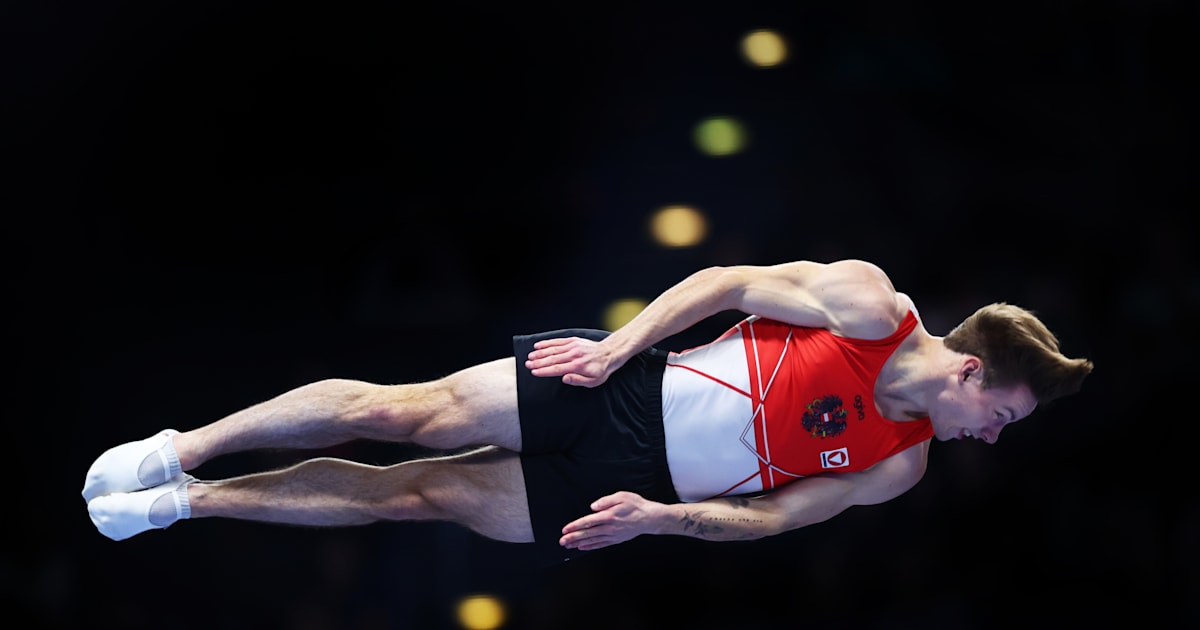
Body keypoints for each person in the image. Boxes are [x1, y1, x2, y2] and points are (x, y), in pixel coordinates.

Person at [82, 259, 1093, 564]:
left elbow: (781, 516)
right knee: (407, 414)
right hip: (622, 385)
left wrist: (662, 520)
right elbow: (728, 284)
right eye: (1002, 415)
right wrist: (618, 346)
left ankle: (188, 504)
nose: (991, 437)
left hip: (631, 483)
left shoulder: (902, 461)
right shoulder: (869, 305)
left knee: (415, 498)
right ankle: (185, 445)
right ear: (970, 372)